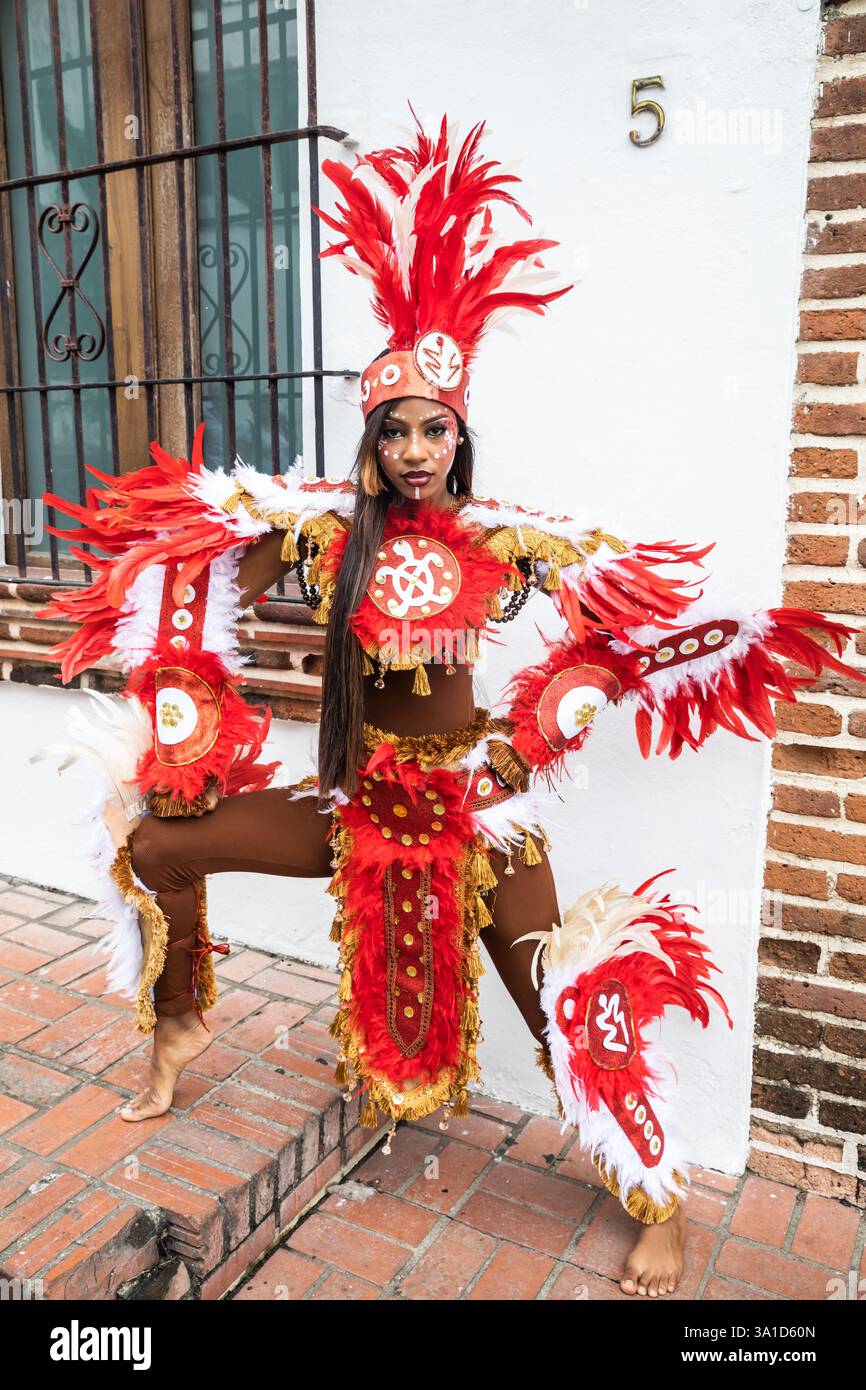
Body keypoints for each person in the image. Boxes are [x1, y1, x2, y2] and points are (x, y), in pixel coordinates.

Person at [36, 112, 865, 1299]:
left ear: (459, 437)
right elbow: (199, 579)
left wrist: (532, 741)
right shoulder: (327, 534)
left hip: (474, 813)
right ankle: (177, 1022)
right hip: (355, 803)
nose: (416, 448)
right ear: (369, 441)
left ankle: (654, 1193)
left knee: (547, 988)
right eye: (395, 430)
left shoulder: (510, 541)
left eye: (434, 428)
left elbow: (612, 641)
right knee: (159, 843)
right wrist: (187, 707)